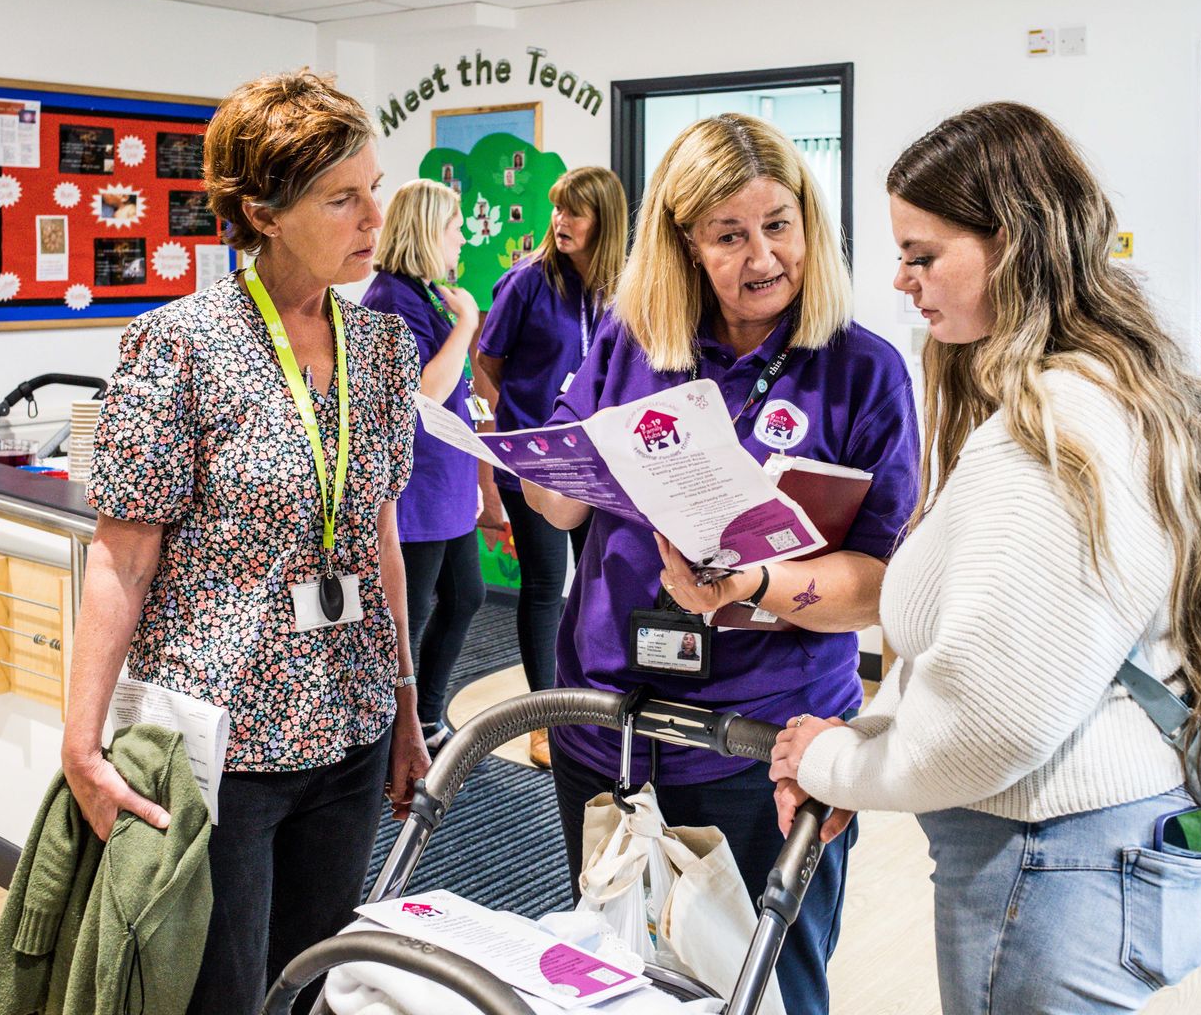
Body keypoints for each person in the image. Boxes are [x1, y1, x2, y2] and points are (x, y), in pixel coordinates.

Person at [770, 102, 1201, 1014]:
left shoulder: (1053, 431)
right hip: (1092, 854)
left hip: (1052, 863)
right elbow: (982, 648)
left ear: (1011, 241)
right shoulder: (1112, 383)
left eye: (922, 253)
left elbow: (992, 716)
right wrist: (866, 741)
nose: (900, 279)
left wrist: (835, 766)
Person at [523, 114, 921, 1013]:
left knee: (769, 987)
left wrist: (752, 585)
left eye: (779, 225)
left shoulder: (864, 372)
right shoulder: (636, 342)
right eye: (729, 236)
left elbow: (879, 583)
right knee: (620, 975)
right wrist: (534, 463)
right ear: (684, 245)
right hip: (607, 726)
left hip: (764, 745)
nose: (763, 257)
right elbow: (565, 506)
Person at [62, 69, 426, 1015]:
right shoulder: (176, 345)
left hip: (349, 723)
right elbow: (122, 557)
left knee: (309, 982)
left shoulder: (383, 348)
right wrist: (82, 745)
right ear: (262, 211)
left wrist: (406, 703)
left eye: (374, 188)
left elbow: (379, 535)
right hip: (223, 737)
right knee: (219, 992)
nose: (372, 217)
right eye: (343, 198)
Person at [475, 165, 629, 769]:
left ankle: (597, 707)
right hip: (536, 462)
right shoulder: (527, 283)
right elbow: (486, 360)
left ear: (605, 220)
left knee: (600, 583)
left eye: (575, 211)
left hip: (604, 463)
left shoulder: (627, 289)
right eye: (557, 209)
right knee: (544, 587)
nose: (561, 222)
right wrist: (513, 425)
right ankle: (542, 721)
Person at [362, 179, 491, 752]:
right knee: (404, 621)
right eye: (453, 227)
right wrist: (468, 325)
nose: (461, 237)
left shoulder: (428, 293)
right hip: (415, 492)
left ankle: (427, 716)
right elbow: (424, 392)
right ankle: (397, 734)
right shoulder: (391, 299)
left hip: (448, 482)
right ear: (425, 232)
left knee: (466, 596)